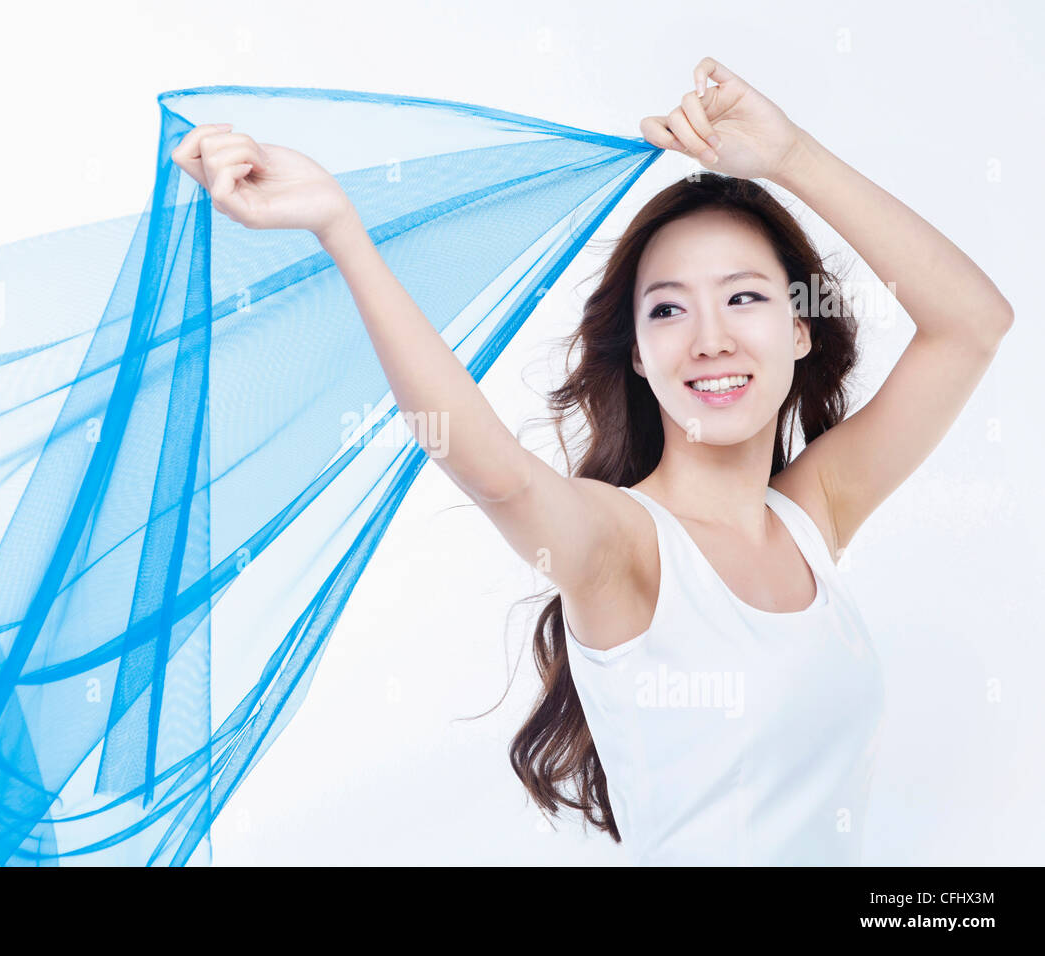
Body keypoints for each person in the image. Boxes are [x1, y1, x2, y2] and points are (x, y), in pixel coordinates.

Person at [171, 57, 1013, 864]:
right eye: (670, 309)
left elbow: (974, 321)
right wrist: (339, 227)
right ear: (641, 355)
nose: (711, 337)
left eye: (745, 297)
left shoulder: (811, 512)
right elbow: (494, 471)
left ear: (800, 328)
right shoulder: (624, 546)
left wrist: (791, 157)